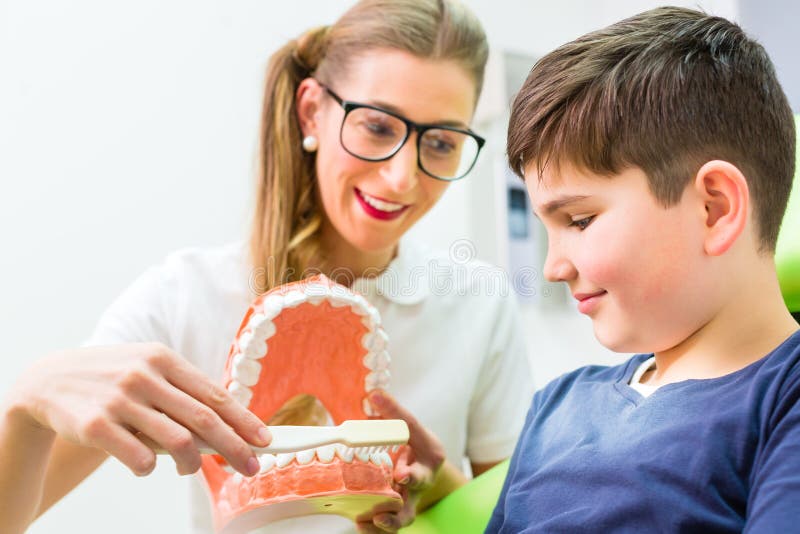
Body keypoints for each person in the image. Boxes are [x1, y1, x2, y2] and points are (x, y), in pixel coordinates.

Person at [0, 1, 533, 533]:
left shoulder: (479, 302)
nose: (400, 178)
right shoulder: (183, 298)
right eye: (375, 127)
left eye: (440, 143)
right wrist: (26, 406)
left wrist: (435, 489)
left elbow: (518, 521)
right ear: (311, 113)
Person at [487, 6, 799, 533]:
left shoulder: (781, 399)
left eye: (580, 221)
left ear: (714, 210)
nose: (552, 267)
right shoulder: (557, 405)